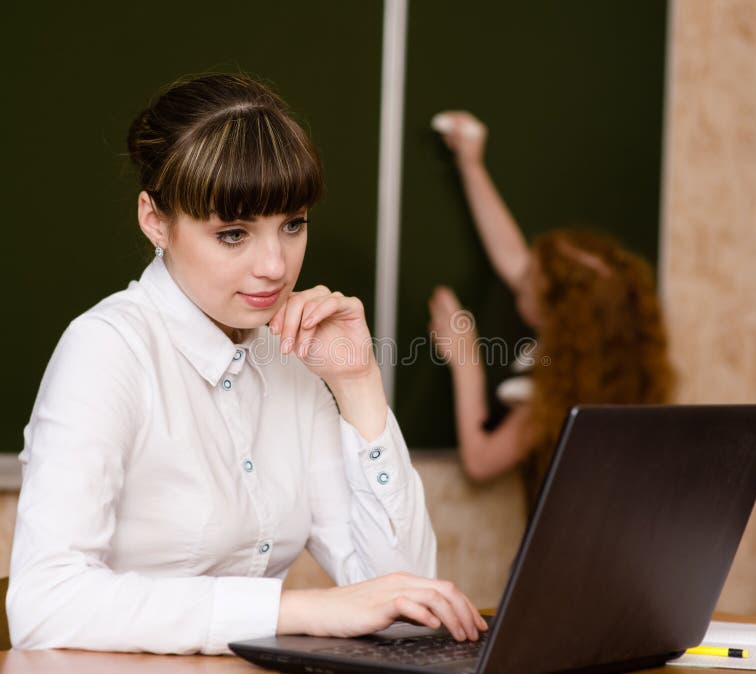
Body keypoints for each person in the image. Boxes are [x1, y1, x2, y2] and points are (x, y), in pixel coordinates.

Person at [7, 75, 487, 655]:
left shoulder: (286, 355)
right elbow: (45, 604)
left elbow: (407, 603)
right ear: (155, 220)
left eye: (293, 224)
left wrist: (357, 385)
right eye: (233, 234)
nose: (275, 266)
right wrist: (298, 609)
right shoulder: (105, 351)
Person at [428, 111, 673, 508]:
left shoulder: (559, 396)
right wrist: (471, 165)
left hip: (565, 565)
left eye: (528, 283)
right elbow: (514, 260)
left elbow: (480, 459)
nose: (519, 277)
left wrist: (465, 358)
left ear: (558, 318)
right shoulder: (615, 364)